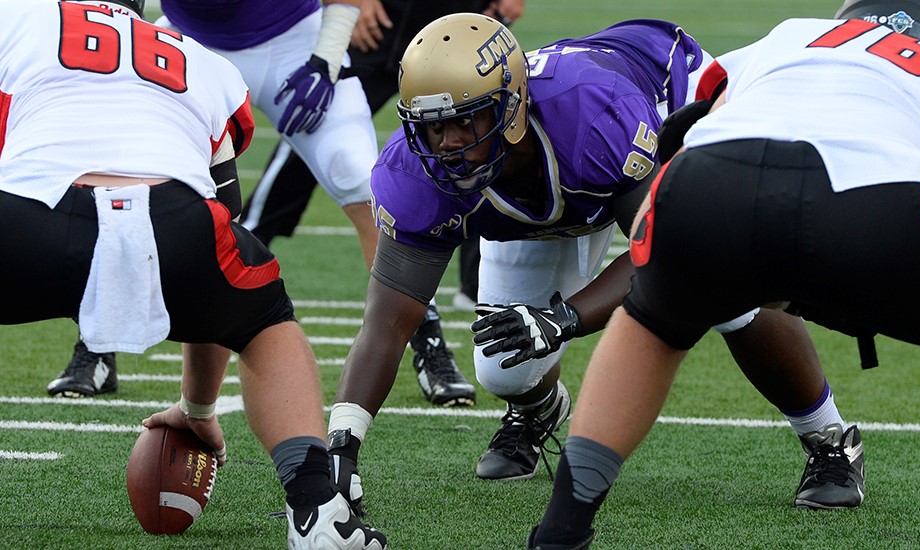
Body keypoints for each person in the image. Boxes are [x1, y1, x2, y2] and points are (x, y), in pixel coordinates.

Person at [526, 0, 920, 548]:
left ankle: (561, 530)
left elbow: (702, 124)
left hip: (706, 183)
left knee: (652, 319)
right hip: (873, 197)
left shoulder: (787, 37)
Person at [326, 12, 867, 519]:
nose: (447, 144)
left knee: (722, 280)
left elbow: (663, 247)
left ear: (511, 107)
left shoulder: (591, 111)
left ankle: (831, 441)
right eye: (432, 126)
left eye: (465, 122)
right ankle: (538, 409)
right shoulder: (412, 170)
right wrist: (341, 452)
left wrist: (562, 320)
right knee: (502, 366)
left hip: (661, 115)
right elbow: (387, 321)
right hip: (544, 190)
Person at [0, 0, 387, 548]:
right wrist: (197, 408)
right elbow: (221, 227)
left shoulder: (18, 18)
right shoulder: (201, 59)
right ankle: (317, 510)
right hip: (172, 224)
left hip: (29, 214)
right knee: (264, 319)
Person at [44, 0, 383, 401]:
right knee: (120, 176)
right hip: (191, 43)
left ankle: (422, 336)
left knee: (360, 177)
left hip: (294, 41)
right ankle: (95, 346)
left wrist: (326, 58)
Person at [242, 0, 526, 410]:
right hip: (378, 20)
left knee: (483, 151)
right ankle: (240, 243)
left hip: (462, 27)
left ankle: (453, 319)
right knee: (326, 156)